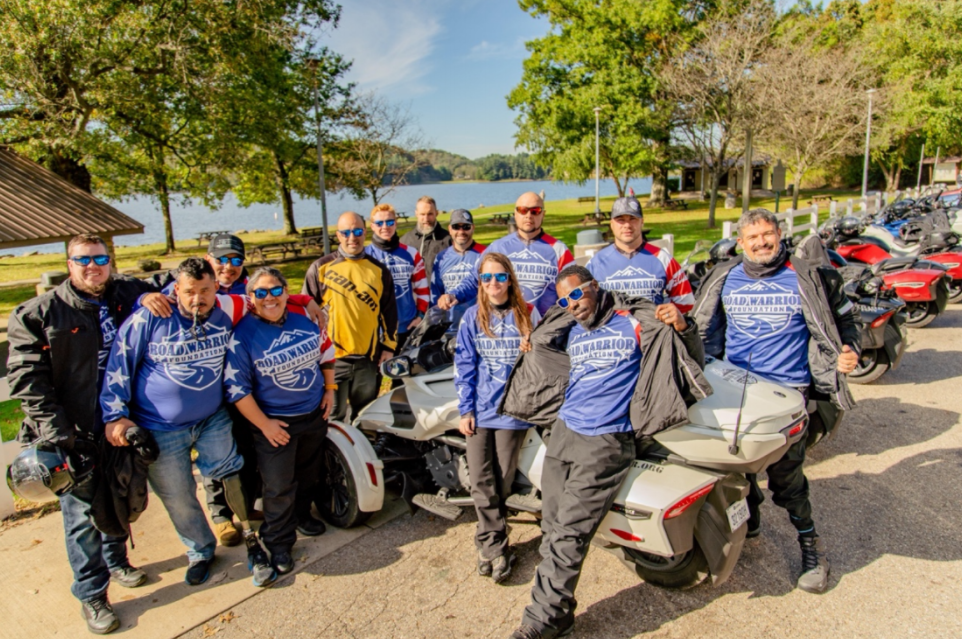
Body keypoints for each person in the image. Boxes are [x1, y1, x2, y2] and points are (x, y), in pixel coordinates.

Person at [500, 265, 709, 639]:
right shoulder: (570, 332)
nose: (572, 305)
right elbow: (547, 355)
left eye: (577, 294)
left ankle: (539, 622)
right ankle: (561, 615)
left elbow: (686, 357)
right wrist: (534, 343)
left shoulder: (633, 322)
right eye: (564, 300)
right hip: (564, 434)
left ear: (595, 287)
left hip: (606, 442)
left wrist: (683, 326)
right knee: (551, 528)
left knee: (569, 534)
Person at [6, 233, 172, 635]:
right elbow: (28, 382)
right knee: (81, 517)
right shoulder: (40, 313)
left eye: (100, 259)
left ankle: (117, 562)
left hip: (121, 425)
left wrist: (151, 297)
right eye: (83, 260)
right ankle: (91, 592)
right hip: (73, 432)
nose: (92, 267)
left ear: (110, 261)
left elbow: (185, 284)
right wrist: (62, 436)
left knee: (119, 498)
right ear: (69, 263)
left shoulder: (126, 292)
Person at [691, 208, 860, 594]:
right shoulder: (725, 276)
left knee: (787, 479)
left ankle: (810, 545)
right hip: (737, 390)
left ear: (780, 234)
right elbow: (702, 327)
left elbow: (843, 322)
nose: (762, 242)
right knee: (738, 465)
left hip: (788, 393)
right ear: (741, 242)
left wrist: (849, 350)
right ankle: (749, 520)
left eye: (767, 234)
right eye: (753, 237)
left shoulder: (807, 275)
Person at [100, 257, 276, 589]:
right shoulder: (150, 317)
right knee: (178, 494)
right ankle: (200, 551)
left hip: (212, 417)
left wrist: (309, 302)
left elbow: (271, 297)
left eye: (205, 290)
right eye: (190, 291)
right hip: (159, 427)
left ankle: (252, 539)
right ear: (175, 290)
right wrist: (115, 415)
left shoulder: (225, 314)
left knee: (229, 473)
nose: (198, 298)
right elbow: (119, 363)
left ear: (215, 288)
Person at [224, 268, 336, 575]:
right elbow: (237, 390)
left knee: (308, 473)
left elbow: (326, 355)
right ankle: (278, 542)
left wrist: (330, 391)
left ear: (286, 293)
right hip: (275, 423)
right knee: (278, 487)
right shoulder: (243, 335)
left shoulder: (306, 321)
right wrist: (264, 425)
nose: (269, 298)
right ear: (251, 298)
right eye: (261, 293)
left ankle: (302, 515)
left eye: (276, 290)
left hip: (313, 414)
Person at [454, 253, 540, 584]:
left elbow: (545, 357)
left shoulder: (528, 314)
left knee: (502, 480)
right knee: (480, 479)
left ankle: (492, 542)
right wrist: (466, 409)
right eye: (487, 278)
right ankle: (492, 546)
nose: (493, 283)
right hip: (480, 410)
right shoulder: (472, 317)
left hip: (512, 410)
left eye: (500, 277)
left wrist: (532, 346)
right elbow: (464, 365)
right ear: (480, 282)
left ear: (510, 279)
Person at [302, 211, 398, 421]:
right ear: (338, 235)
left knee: (365, 415)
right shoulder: (320, 268)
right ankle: (332, 454)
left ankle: (364, 453)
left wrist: (389, 347)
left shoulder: (378, 270)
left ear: (365, 232)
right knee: (333, 415)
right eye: (346, 232)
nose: (352, 238)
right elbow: (305, 314)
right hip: (332, 360)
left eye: (357, 231)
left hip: (367, 358)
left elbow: (389, 312)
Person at [444, 192, 573, 317]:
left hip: (544, 330)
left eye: (535, 211)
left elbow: (573, 292)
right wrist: (454, 295)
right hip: (506, 329)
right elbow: (474, 279)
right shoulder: (498, 248)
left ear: (543, 214)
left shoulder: (559, 250)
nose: (528, 215)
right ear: (515, 214)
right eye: (523, 210)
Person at [586, 195, 695, 313]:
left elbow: (686, 301)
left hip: (651, 330)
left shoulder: (663, 258)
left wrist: (664, 320)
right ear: (612, 224)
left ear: (642, 222)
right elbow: (583, 304)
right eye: (621, 220)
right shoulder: (596, 263)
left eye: (633, 219)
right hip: (611, 330)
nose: (627, 225)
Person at [365, 202, 429, 350]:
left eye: (389, 222)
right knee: (377, 372)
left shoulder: (411, 253)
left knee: (408, 371)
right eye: (379, 223)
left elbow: (423, 290)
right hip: (377, 329)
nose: (385, 227)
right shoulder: (365, 256)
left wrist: (420, 316)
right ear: (372, 226)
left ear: (395, 223)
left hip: (406, 327)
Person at [432, 209, 485, 316]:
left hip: (478, 323)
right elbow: (435, 293)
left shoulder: (485, 253)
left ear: (473, 228)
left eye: (466, 227)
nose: (461, 232)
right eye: (456, 227)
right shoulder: (441, 257)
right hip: (448, 325)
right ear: (450, 229)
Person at [400, 195, 451, 286]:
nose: (426, 219)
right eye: (422, 214)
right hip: (413, 297)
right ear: (416, 214)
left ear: (436, 213)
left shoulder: (449, 240)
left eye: (430, 214)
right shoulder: (405, 241)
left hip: (441, 297)